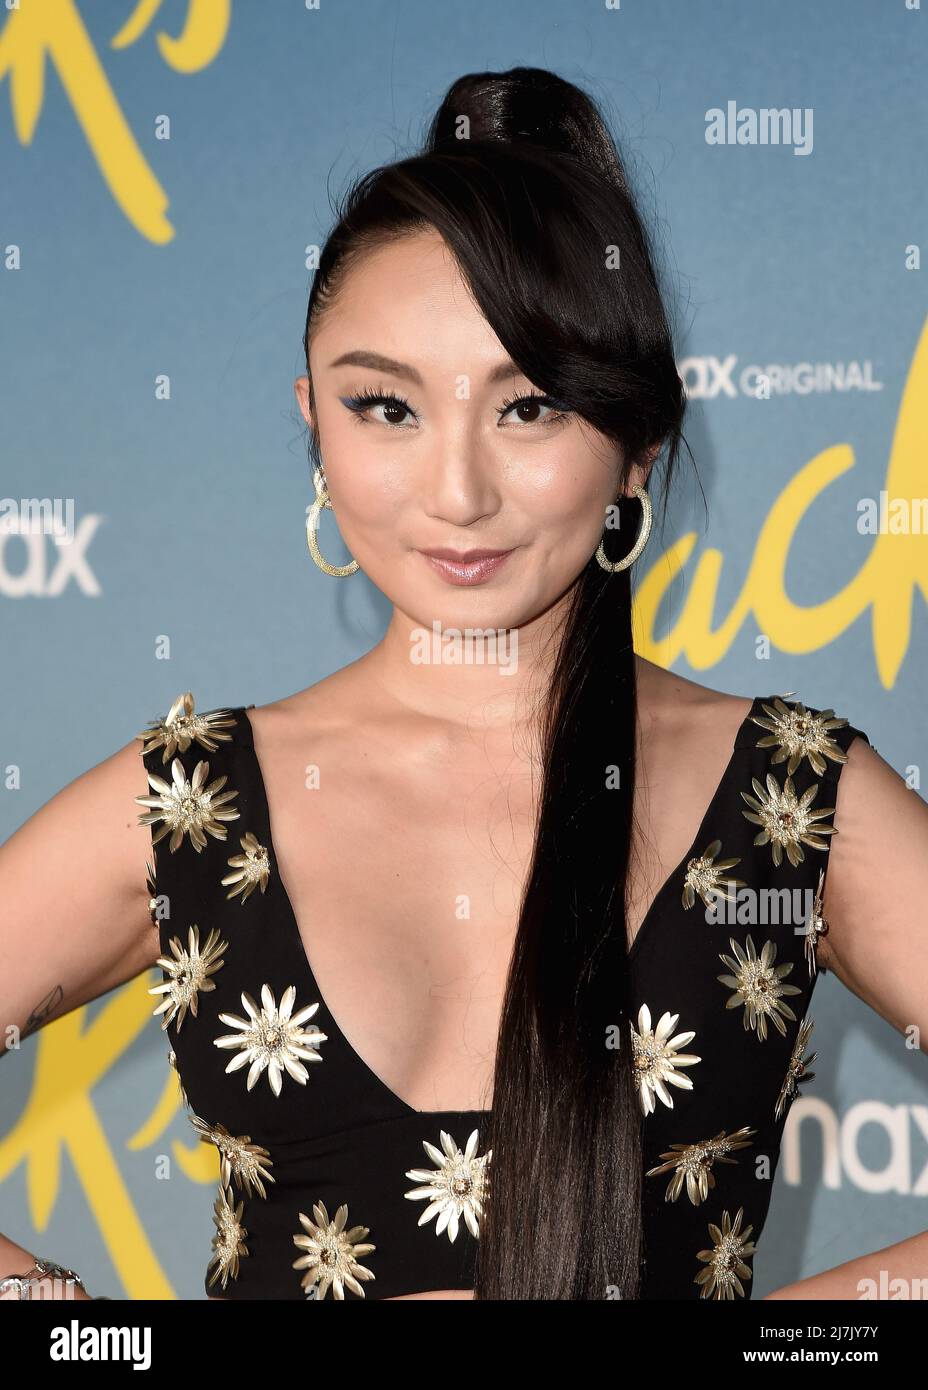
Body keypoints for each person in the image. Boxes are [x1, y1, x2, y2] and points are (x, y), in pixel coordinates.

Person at [1, 67, 926, 1303]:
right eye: (384, 406)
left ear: (635, 442)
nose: (455, 490)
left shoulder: (788, 794)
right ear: (312, 425)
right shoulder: (198, 801)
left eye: (529, 405)